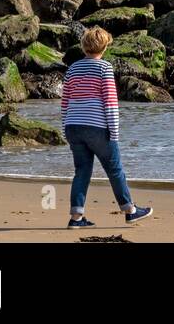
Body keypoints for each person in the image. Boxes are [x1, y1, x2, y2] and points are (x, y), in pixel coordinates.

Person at [61, 26, 153, 228]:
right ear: (104, 47)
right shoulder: (104, 68)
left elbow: (65, 102)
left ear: (84, 46)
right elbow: (110, 102)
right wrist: (114, 131)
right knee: (115, 169)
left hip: (73, 126)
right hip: (97, 127)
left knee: (82, 171)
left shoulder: (72, 69)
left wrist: (64, 128)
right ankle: (130, 210)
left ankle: (76, 218)